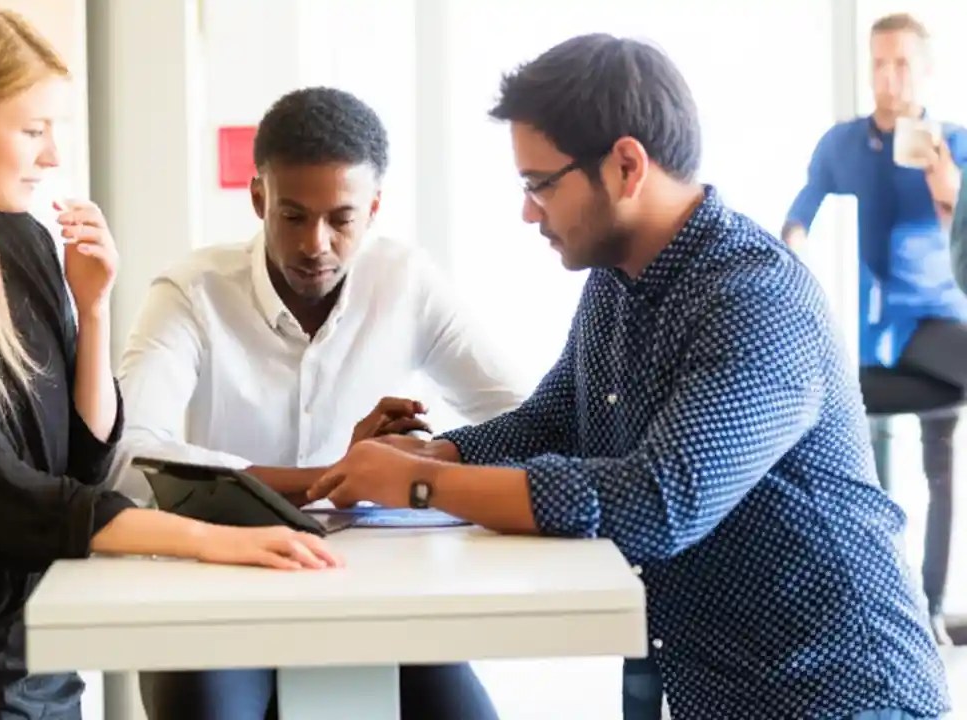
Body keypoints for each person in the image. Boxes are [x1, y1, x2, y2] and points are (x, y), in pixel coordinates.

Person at [308, 34, 951, 720]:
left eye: (539, 184)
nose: (528, 211)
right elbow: (554, 418)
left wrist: (420, 484)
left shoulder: (756, 298)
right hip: (719, 689)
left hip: (842, 695)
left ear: (624, 165)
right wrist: (437, 452)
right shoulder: (618, 282)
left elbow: (658, 502)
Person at [0, 5, 339, 719]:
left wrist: (93, 311)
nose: (53, 157)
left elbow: (84, 462)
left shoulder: (25, 246)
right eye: (33, 130)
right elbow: (0, 501)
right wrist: (207, 539)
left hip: (43, 659)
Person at [117, 87, 517, 719]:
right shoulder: (191, 293)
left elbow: (521, 418)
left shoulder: (407, 283)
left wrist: (422, 463)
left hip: (372, 590)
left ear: (374, 208)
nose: (316, 244)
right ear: (259, 199)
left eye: (341, 219)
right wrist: (337, 478)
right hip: (217, 587)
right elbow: (130, 455)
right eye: (293, 216)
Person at [783, 12, 967, 644]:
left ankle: (932, 609)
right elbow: (800, 215)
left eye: (903, 64)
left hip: (948, 329)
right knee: (876, 468)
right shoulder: (844, 145)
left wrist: (951, 191)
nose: (889, 78)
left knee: (941, 467)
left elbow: (962, 241)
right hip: (890, 328)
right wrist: (789, 270)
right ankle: (889, 606)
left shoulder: (956, 144)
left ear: (926, 70)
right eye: (879, 63)